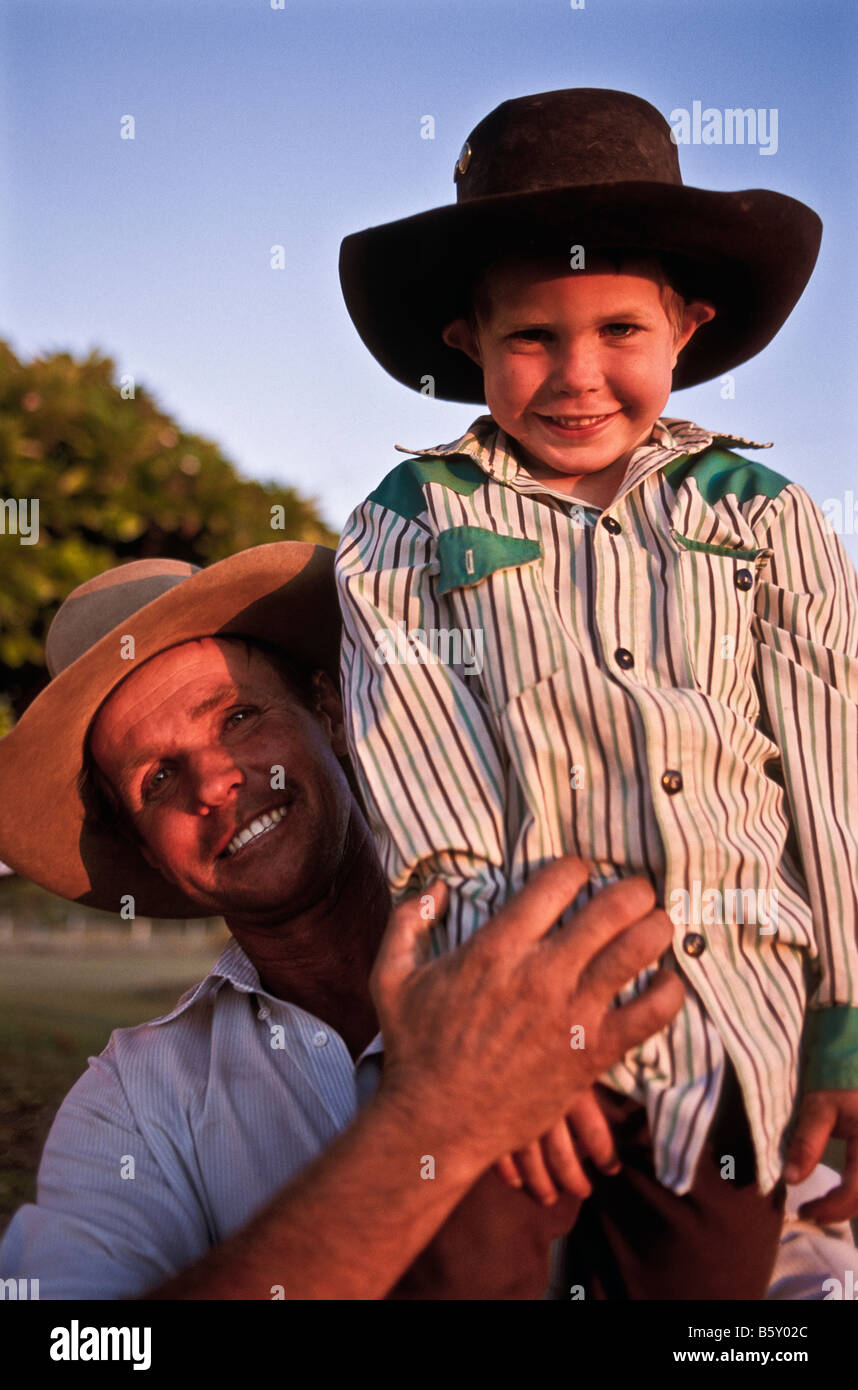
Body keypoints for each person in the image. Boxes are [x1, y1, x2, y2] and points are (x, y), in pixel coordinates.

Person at [335, 88, 858, 1298]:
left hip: (729, 1014)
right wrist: (501, 1042)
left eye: (620, 328)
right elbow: (427, 798)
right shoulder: (407, 529)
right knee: (461, 1269)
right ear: (469, 338)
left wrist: (843, 1026)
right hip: (499, 1009)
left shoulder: (766, 519)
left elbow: (834, 781)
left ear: (687, 326)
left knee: (702, 1289)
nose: (577, 376)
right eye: (532, 338)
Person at [0, 543, 685, 1300]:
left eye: (237, 716)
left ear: (330, 714)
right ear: (147, 853)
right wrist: (436, 1121)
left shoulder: (562, 935)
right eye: (157, 778)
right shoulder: (134, 1099)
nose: (214, 781)